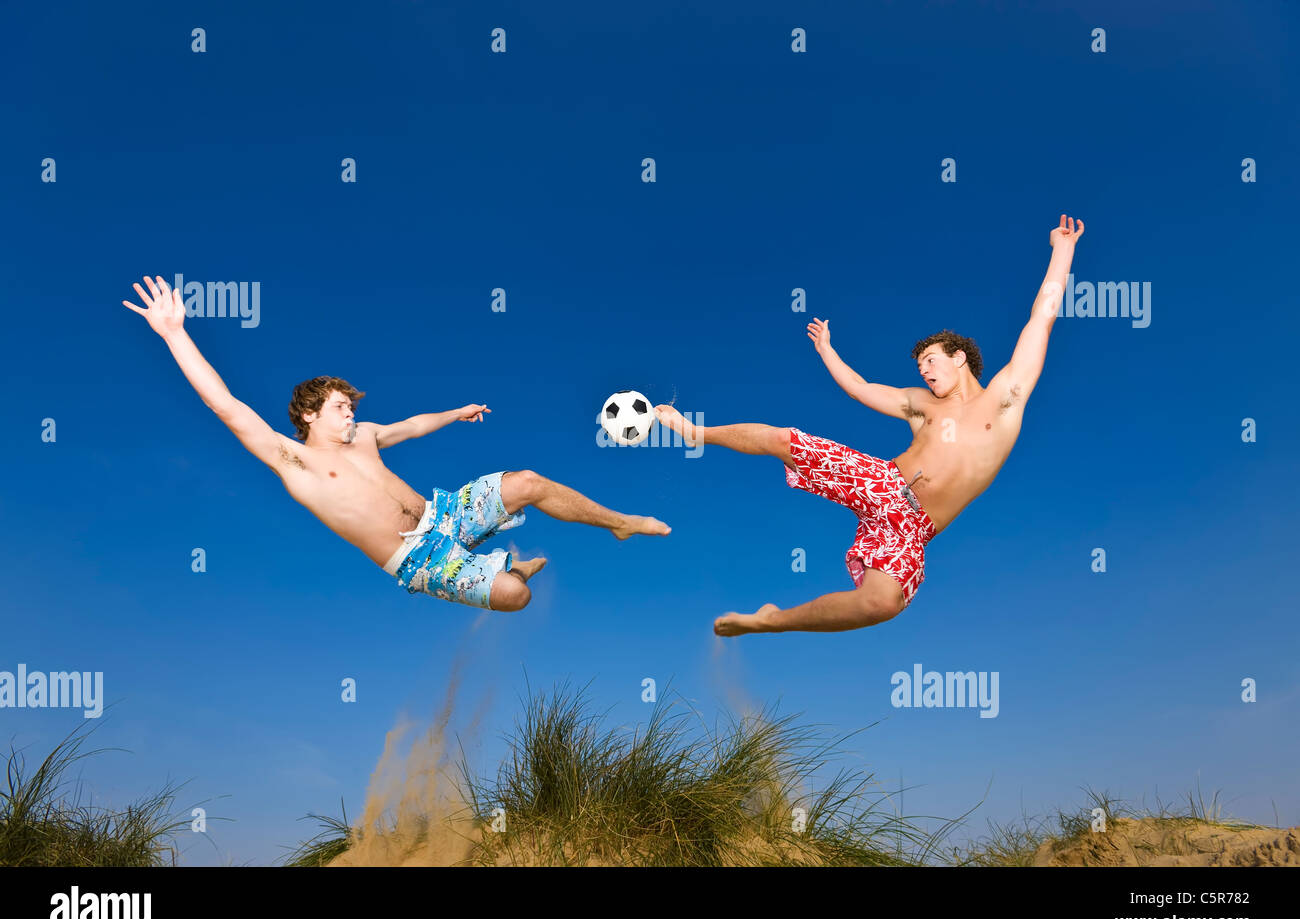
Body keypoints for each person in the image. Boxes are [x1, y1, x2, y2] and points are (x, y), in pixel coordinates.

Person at [123, 276, 670, 612]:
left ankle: (619, 521)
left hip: (445, 514)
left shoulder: (363, 437)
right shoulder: (297, 464)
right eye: (341, 406)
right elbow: (227, 406)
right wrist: (175, 333)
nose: (352, 413)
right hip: (418, 560)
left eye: (352, 406)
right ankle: (512, 568)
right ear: (310, 414)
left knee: (526, 481)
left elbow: (410, 425)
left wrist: (457, 413)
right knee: (514, 597)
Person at [655, 214, 1085, 636]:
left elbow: (1041, 316)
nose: (924, 372)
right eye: (920, 367)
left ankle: (770, 619)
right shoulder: (921, 405)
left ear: (959, 358)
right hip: (880, 481)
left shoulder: (1006, 397)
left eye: (931, 361)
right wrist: (826, 350)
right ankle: (696, 432)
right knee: (783, 439)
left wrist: (1063, 249)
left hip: (914, 528)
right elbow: (862, 388)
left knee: (882, 603)